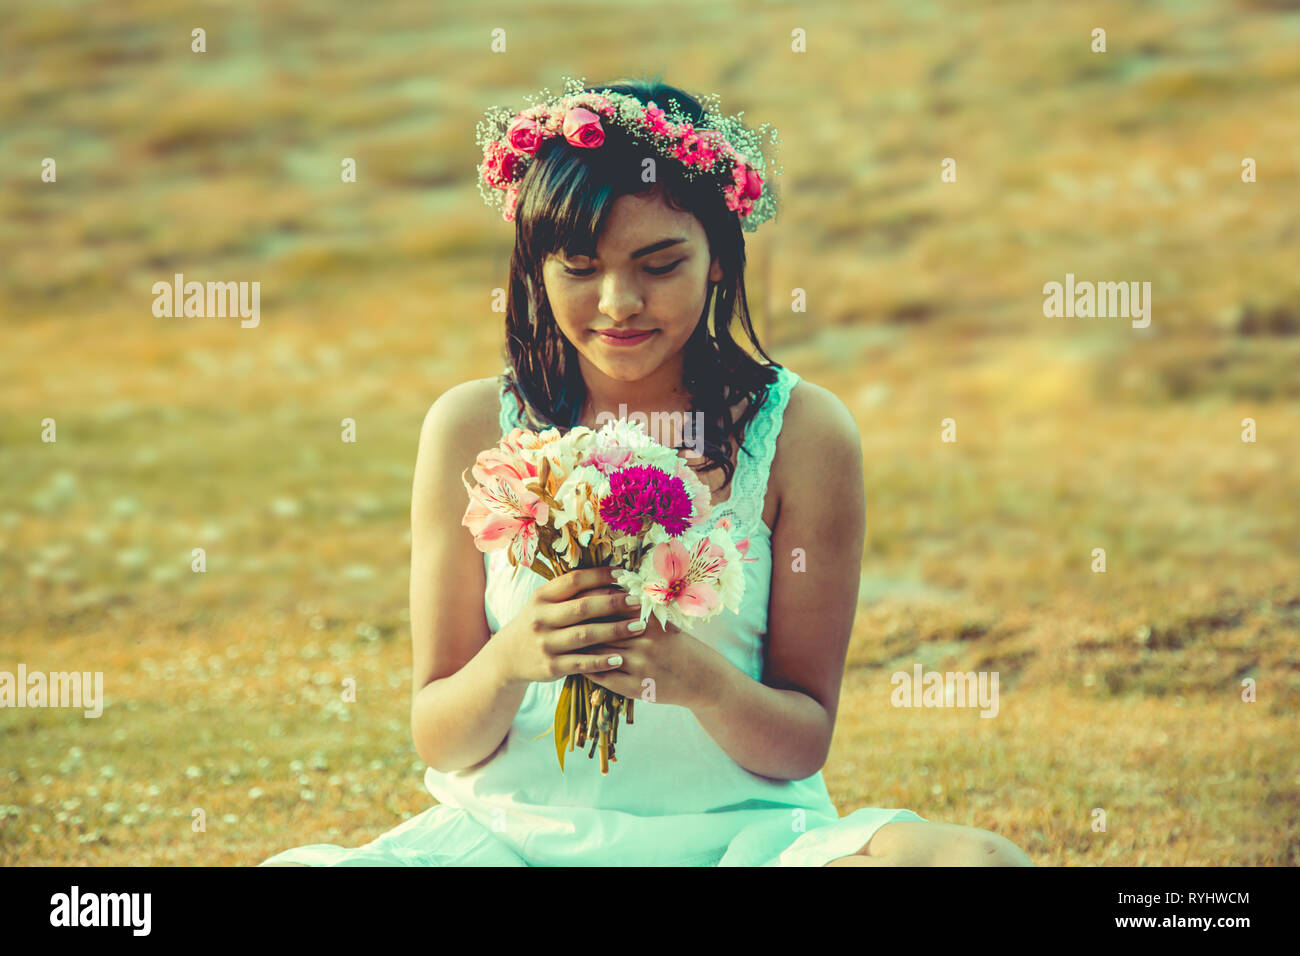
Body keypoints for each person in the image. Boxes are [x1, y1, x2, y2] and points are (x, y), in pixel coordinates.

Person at [260, 74, 1033, 866]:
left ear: (719, 264)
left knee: (975, 863)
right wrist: (510, 659)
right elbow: (440, 733)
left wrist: (696, 678)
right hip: (511, 839)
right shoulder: (468, 427)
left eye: (660, 265)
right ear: (535, 269)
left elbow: (802, 741)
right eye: (580, 266)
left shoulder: (803, 433)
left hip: (743, 839)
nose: (620, 301)